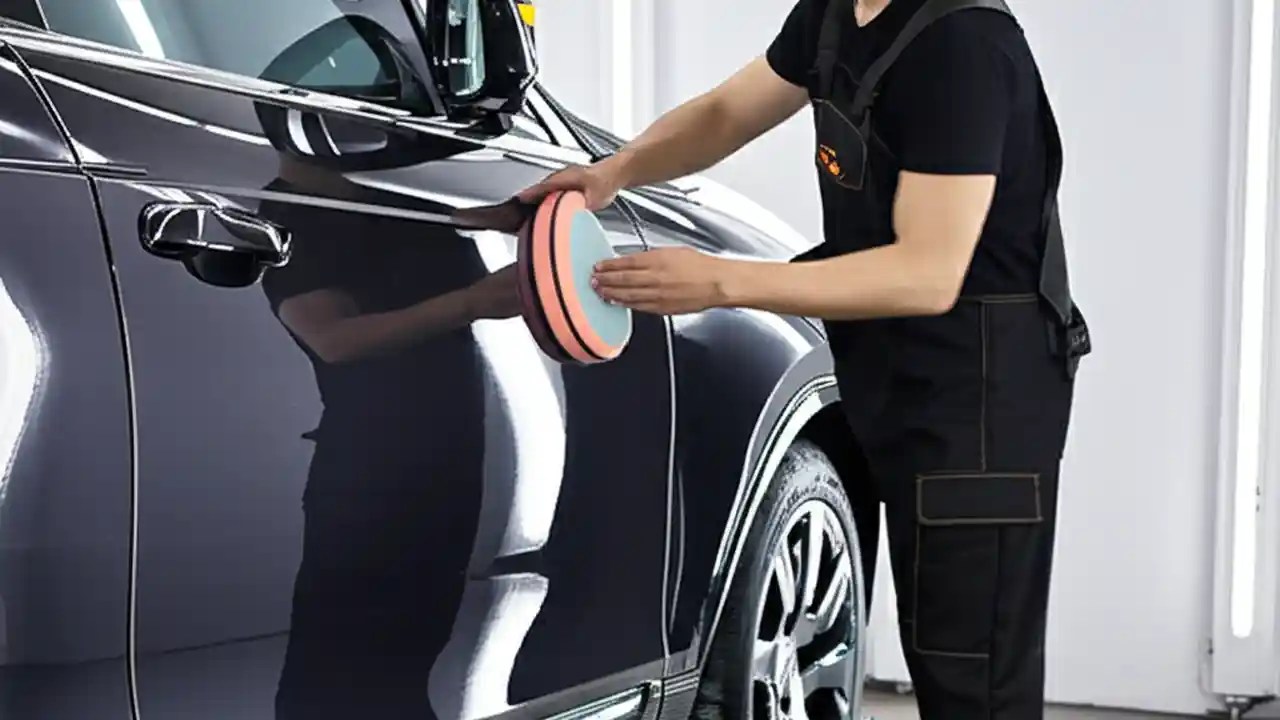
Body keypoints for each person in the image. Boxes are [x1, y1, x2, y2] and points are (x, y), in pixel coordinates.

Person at [517, 0, 1091, 717]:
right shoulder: (834, 12)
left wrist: (721, 282)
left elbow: (927, 272)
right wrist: (614, 171)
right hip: (890, 371)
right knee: (919, 639)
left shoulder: (964, 46)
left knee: (972, 677)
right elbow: (727, 112)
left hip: (979, 405)